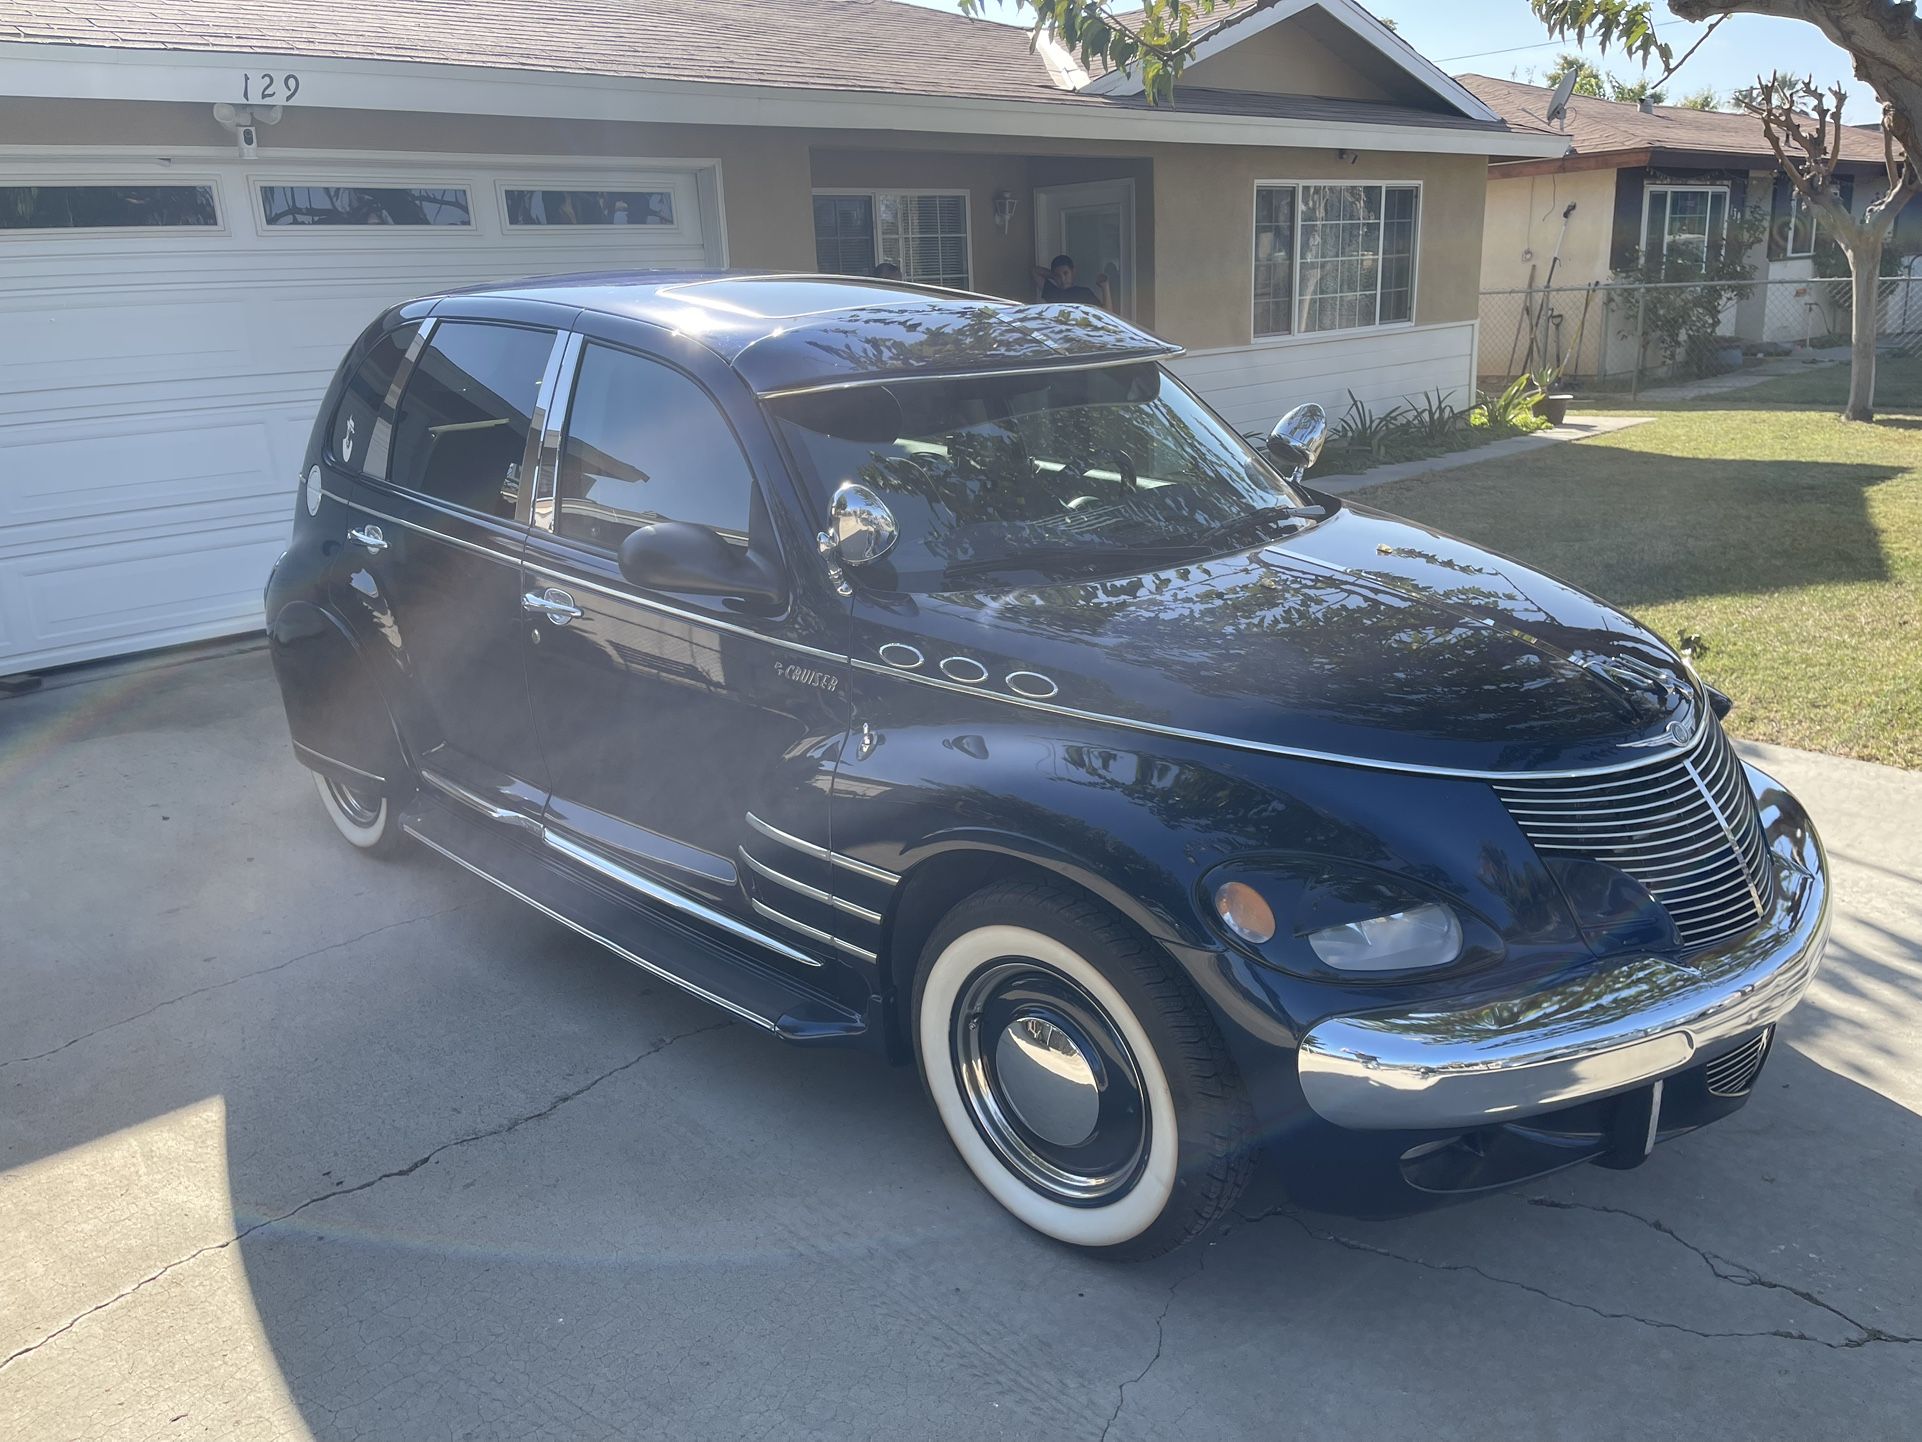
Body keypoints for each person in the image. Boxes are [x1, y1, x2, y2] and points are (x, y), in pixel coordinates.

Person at [1034, 253, 1110, 308]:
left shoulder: (1084, 293)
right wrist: (1054, 276)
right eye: (1058, 276)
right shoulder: (1053, 292)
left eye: (1065, 273)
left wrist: (1105, 286)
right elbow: (1035, 271)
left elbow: (1107, 315)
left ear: (1073, 272)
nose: (1063, 279)